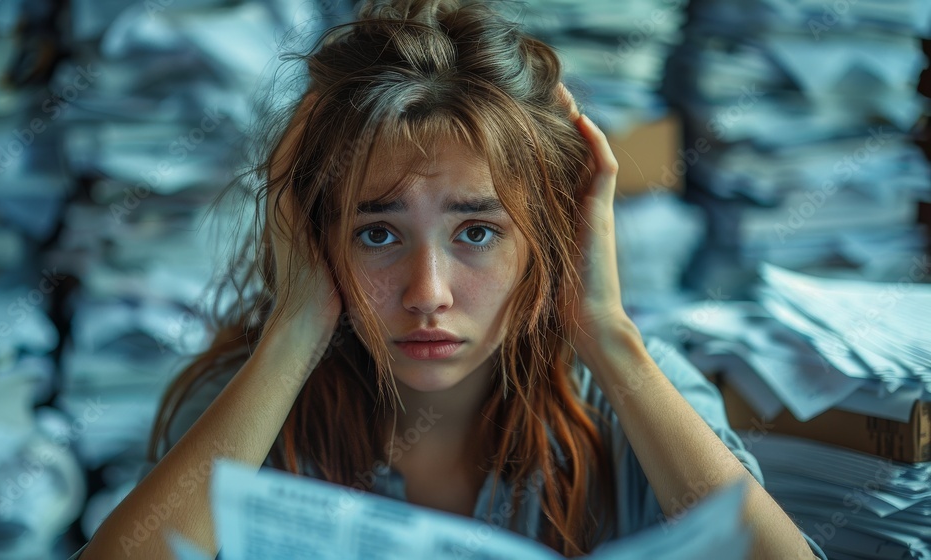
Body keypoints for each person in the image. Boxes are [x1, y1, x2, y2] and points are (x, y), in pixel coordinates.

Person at [72, 0, 826, 558]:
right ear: (315, 242)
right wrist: (294, 332)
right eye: (377, 233)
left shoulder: (631, 393)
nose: (426, 291)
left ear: (550, 239)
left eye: (476, 232)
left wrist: (611, 337)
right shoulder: (252, 404)